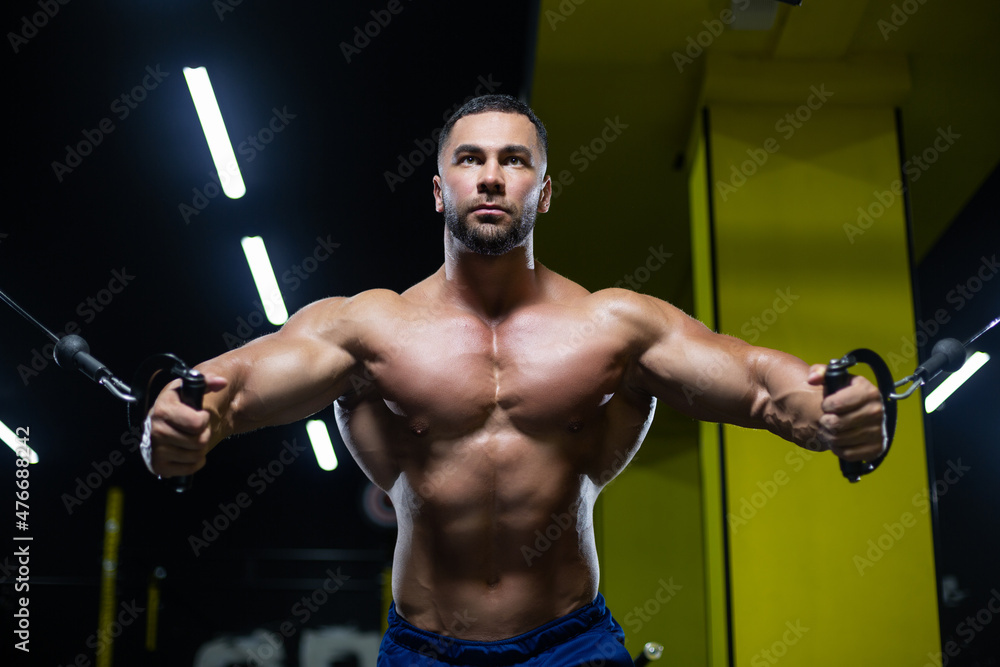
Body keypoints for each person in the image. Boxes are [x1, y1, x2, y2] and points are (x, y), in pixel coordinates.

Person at [145, 95, 884, 666]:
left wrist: (830, 408)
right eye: (469, 158)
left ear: (545, 191)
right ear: (439, 190)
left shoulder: (615, 326)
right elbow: (231, 386)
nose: (492, 175)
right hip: (424, 648)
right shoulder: (368, 329)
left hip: (571, 644)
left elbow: (757, 380)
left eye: (514, 160)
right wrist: (177, 419)